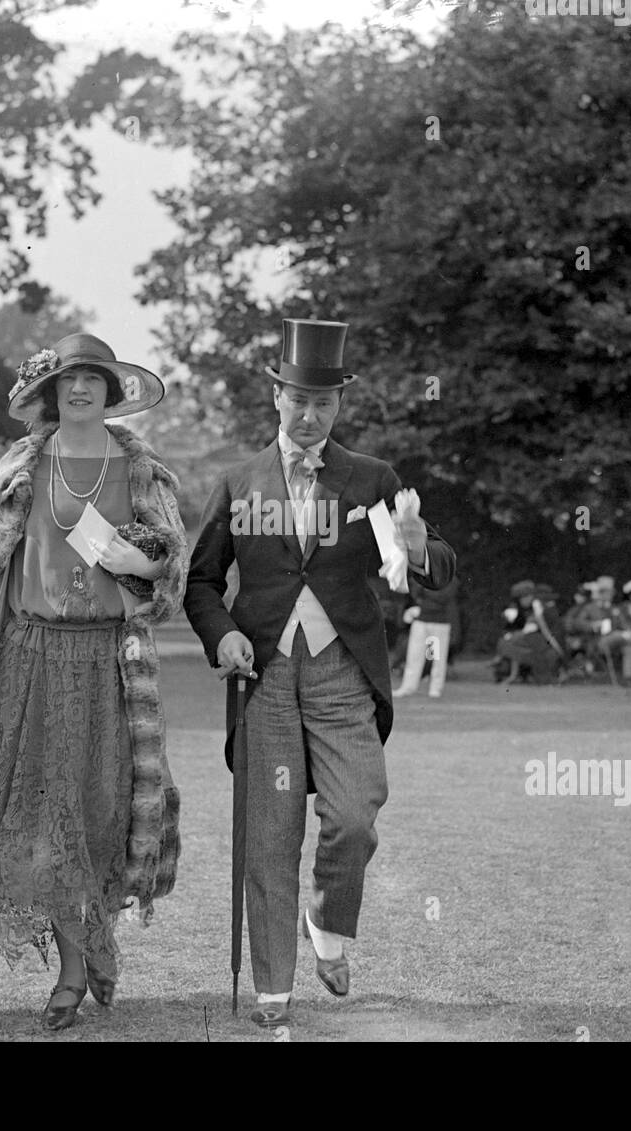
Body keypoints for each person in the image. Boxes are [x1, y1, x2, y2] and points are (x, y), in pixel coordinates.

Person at [184, 318, 456, 1028]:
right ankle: (274, 991)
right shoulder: (238, 482)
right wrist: (223, 639)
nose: (310, 415)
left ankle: (328, 922)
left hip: (342, 674)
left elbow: (432, 574)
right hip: (264, 675)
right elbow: (201, 582)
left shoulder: (372, 479)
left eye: (324, 403)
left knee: (356, 815)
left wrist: (420, 547)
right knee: (271, 835)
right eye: (298, 399)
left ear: (339, 406)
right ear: (276, 396)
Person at [0, 332, 185, 1029]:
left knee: (105, 811)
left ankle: (97, 934)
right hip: (31, 656)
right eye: (68, 379)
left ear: (112, 391)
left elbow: (170, 571)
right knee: (41, 817)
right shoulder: (21, 466)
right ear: (51, 391)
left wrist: (143, 564)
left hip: (112, 662)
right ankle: (73, 968)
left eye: (93, 378)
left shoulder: (145, 472)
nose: (79, 389)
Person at [393, 574, 459, 698]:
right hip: (422, 621)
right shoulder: (423, 576)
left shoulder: (450, 578)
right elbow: (415, 592)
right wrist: (430, 591)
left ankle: (435, 689)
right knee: (414, 655)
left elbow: (444, 597)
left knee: (436, 657)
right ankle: (408, 687)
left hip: (439, 623)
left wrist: (426, 591)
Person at [492, 580, 563, 685]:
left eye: (522, 598)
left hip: (541, 639)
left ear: (529, 596)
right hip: (536, 638)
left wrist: (555, 644)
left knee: (510, 644)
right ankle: (509, 670)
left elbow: (544, 627)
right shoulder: (531, 607)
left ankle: (512, 672)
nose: (521, 601)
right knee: (509, 643)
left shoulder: (538, 605)